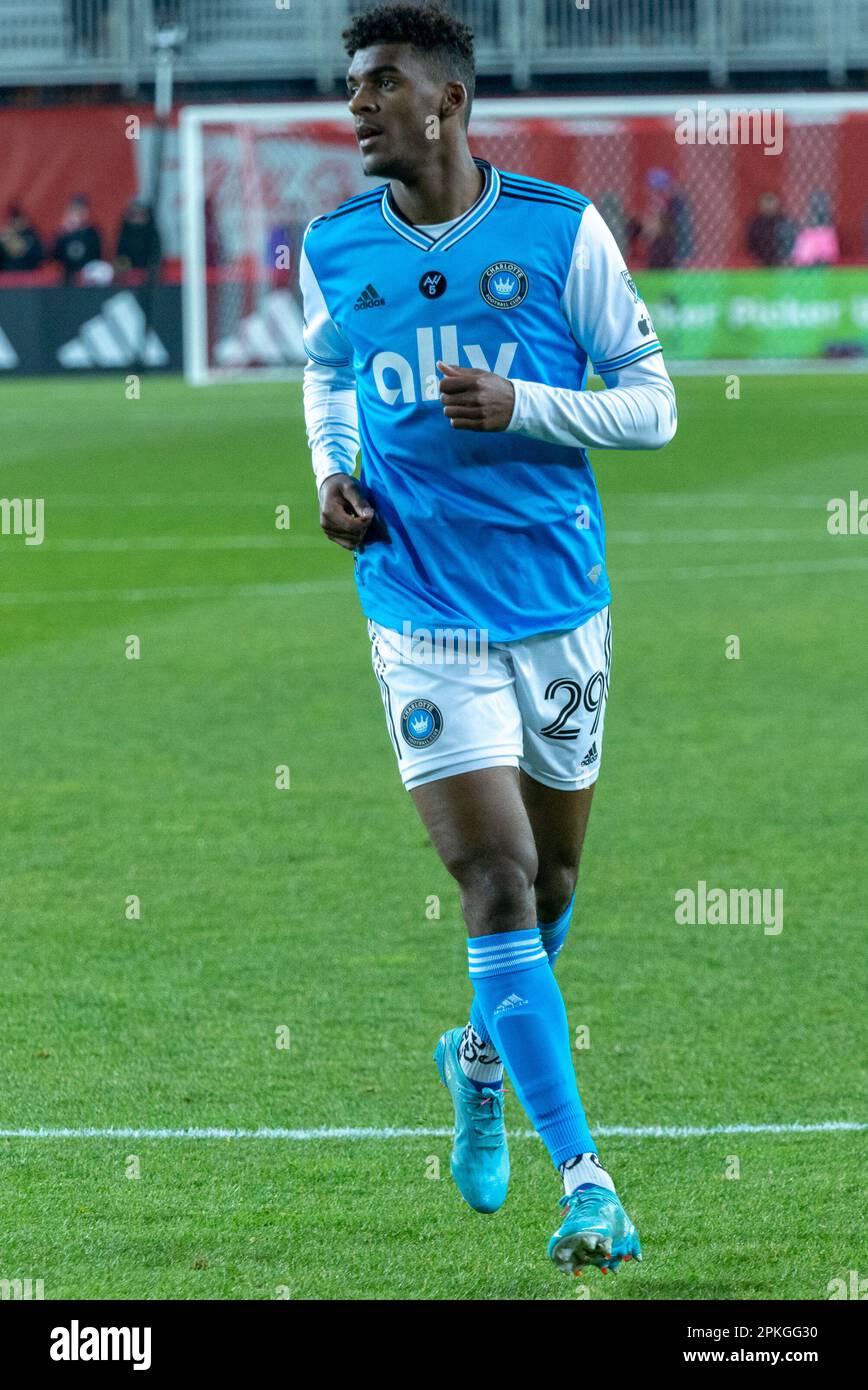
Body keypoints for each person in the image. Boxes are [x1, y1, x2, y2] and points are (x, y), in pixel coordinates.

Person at [300, 2, 677, 1276]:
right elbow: (326, 364)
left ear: (447, 103)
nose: (356, 107)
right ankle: (589, 1183)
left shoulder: (559, 232)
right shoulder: (335, 245)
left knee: (554, 887)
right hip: (419, 615)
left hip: (556, 605)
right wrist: (333, 467)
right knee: (495, 880)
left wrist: (526, 404)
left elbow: (653, 403)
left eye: (379, 85)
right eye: (352, 87)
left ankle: (473, 1058)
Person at [53, 195, 102, 284]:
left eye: (81, 210)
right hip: (67, 276)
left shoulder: (92, 232)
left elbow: (98, 256)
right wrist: (65, 234)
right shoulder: (64, 233)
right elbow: (55, 256)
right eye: (75, 210)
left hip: (88, 276)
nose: (78, 213)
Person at [114, 199, 161, 275]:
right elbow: (121, 257)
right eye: (133, 215)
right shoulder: (125, 233)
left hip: (149, 276)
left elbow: (155, 258)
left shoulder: (152, 234)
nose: (137, 218)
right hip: (128, 275)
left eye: (141, 214)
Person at [746, 191, 793, 267]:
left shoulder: (784, 222)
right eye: (766, 204)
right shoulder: (755, 224)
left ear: (777, 205)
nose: (769, 207)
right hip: (760, 262)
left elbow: (790, 240)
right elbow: (750, 243)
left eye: (771, 203)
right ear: (761, 206)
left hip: (781, 261)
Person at [0, 205, 44, 271]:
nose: (17, 224)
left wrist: (23, 248)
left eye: (19, 221)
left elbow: (39, 256)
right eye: (14, 221)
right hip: (7, 274)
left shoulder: (32, 237)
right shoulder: (5, 236)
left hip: (28, 273)